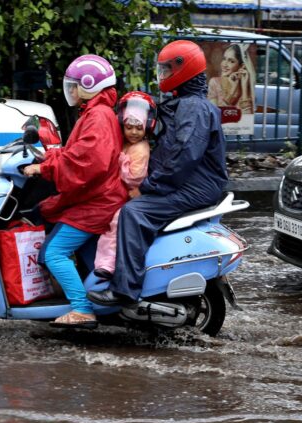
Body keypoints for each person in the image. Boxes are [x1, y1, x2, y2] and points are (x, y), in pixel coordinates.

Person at [87, 40, 228, 307]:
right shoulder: (183, 103)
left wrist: (150, 186)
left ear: (182, 70)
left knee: (133, 213)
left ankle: (124, 291)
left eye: (167, 70)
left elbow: (184, 155)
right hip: (189, 182)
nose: (162, 75)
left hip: (193, 186)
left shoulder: (194, 107)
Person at [22, 54, 126, 328]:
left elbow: (87, 163)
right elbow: (78, 153)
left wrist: (45, 168)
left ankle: (82, 309)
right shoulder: (95, 113)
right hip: (97, 197)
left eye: (75, 85)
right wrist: (49, 157)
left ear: (90, 85)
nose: (72, 90)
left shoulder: (99, 116)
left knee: (53, 253)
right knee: (89, 257)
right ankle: (97, 302)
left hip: (97, 202)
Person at [93, 91, 156, 279]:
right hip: (119, 192)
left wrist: (120, 161)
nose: (134, 132)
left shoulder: (141, 148)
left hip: (129, 195)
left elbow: (134, 178)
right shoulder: (124, 143)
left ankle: (107, 265)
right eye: (129, 127)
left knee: (115, 223)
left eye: (139, 127)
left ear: (147, 127)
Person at [207, 43, 255, 115]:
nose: (224, 64)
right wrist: (232, 92)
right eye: (224, 59)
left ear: (241, 66)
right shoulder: (214, 82)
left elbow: (247, 118)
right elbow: (215, 115)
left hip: (240, 126)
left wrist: (244, 88)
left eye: (231, 61)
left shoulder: (247, 86)